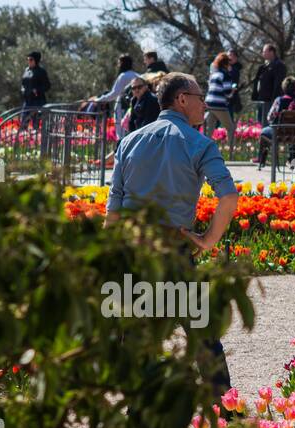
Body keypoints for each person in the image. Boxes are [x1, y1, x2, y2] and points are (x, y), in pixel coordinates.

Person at [105, 72, 239, 401]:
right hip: (175, 250)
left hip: (133, 250)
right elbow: (229, 196)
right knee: (203, 336)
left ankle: (138, 409)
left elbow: (114, 211)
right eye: (199, 97)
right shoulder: (199, 143)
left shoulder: (129, 141)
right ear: (181, 99)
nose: (203, 104)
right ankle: (225, 411)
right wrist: (207, 240)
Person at [83, 54, 139, 139]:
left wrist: (99, 100)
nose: (118, 65)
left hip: (122, 107)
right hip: (134, 106)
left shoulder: (123, 76)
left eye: (119, 63)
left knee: (121, 132)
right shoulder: (137, 75)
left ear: (122, 63)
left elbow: (114, 93)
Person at [258, 76, 295, 167]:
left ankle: (262, 161)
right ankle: (292, 160)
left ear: (284, 88)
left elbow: (270, 117)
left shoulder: (280, 100)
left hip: (280, 132)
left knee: (264, 132)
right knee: (293, 132)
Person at [204, 53, 238, 147]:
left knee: (209, 129)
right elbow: (227, 93)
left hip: (209, 104)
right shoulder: (225, 75)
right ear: (226, 64)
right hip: (219, 105)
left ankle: (204, 149)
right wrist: (233, 90)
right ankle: (231, 151)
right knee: (230, 128)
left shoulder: (214, 74)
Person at [253, 44, 287, 124]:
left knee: (267, 124)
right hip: (261, 100)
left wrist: (273, 101)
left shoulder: (279, 65)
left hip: (270, 101)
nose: (262, 53)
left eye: (264, 51)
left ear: (271, 52)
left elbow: (278, 84)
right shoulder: (264, 66)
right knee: (259, 124)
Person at [20, 51, 50, 133]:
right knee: (23, 121)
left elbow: (47, 86)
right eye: (28, 59)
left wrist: (37, 90)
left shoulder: (41, 72)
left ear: (36, 60)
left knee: (35, 124)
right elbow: (23, 83)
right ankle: (23, 140)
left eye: (31, 59)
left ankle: (36, 141)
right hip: (27, 101)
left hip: (37, 101)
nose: (28, 61)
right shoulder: (26, 70)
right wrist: (22, 89)